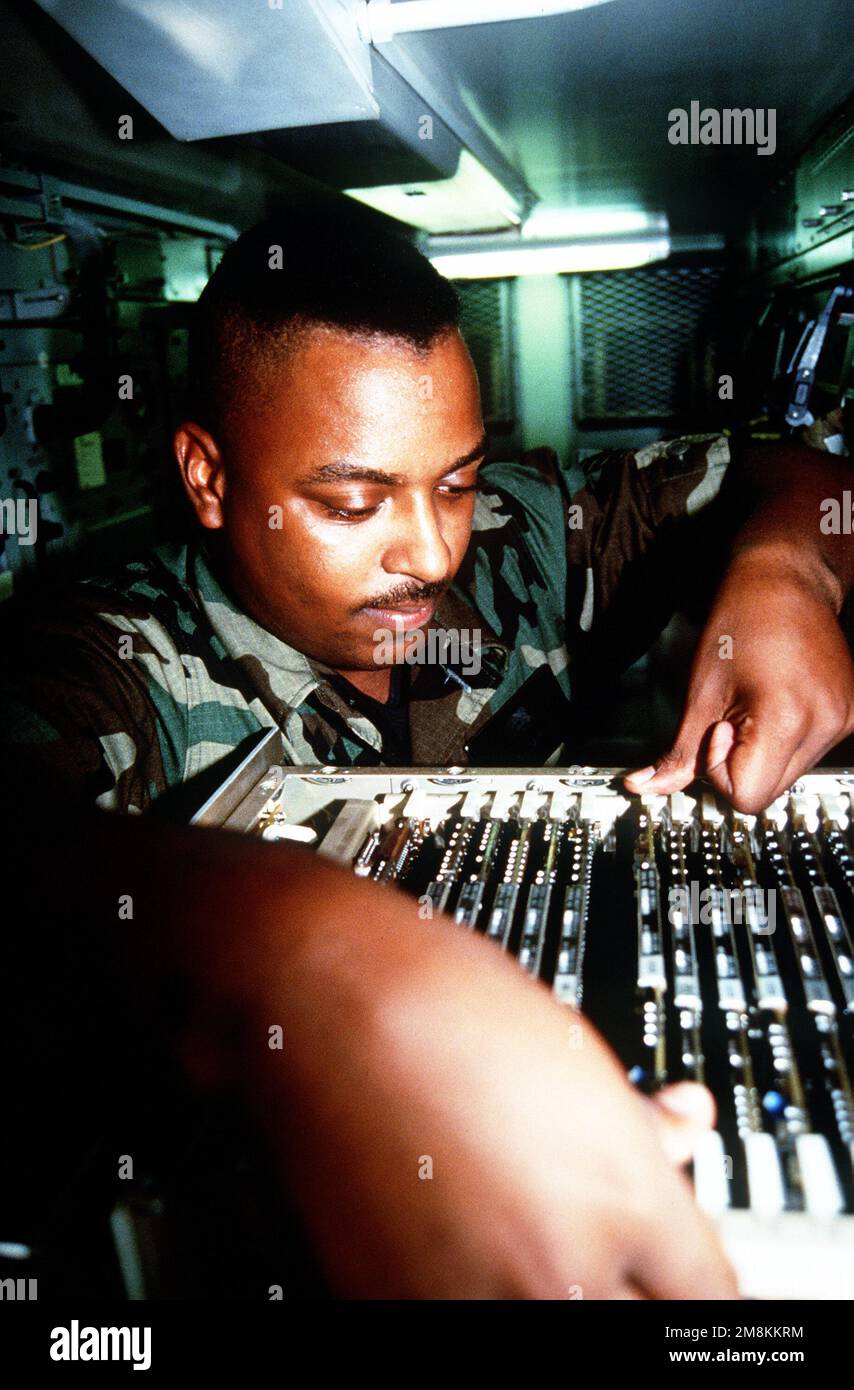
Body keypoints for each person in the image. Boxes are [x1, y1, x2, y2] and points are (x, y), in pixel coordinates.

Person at [0, 207, 851, 1299]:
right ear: (208, 478)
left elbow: (792, 471)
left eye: (454, 481)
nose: (431, 550)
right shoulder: (103, 659)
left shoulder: (518, 541)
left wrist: (788, 572)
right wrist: (302, 961)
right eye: (352, 502)